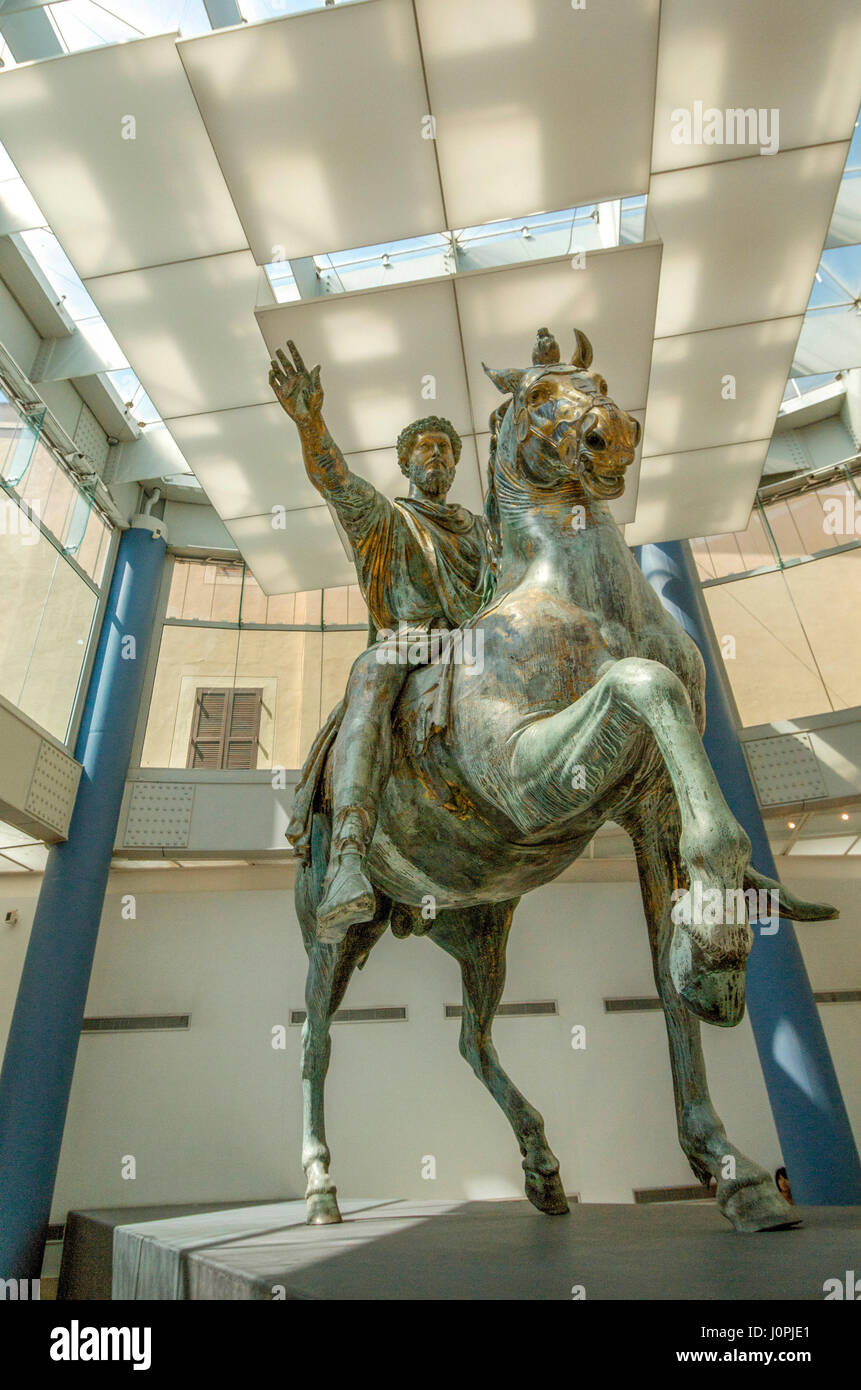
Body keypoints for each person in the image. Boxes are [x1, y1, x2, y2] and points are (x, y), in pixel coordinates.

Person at [269, 341, 494, 941]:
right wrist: (310, 420)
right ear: (407, 463)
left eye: (448, 450)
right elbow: (334, 479)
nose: (439, 457)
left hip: (476, 644)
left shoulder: (482, 532)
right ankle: (348, 853)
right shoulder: (389, 518)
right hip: (410, 641)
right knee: (369, 676)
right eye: (427, 448)